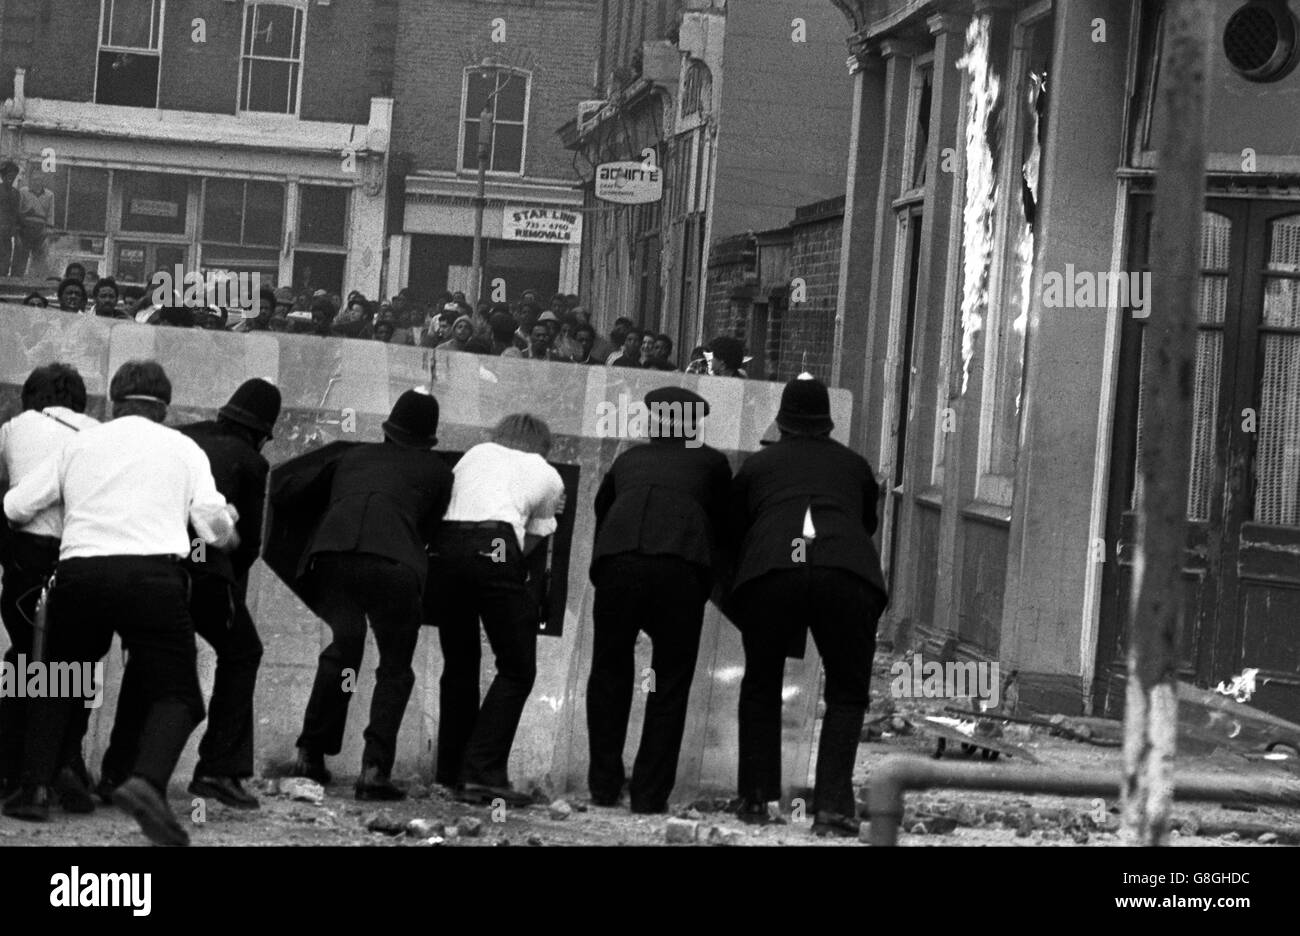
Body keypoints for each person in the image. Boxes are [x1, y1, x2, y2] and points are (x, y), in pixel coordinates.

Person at [2, 360, 239, 845]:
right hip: (153, 578)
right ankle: (146, 782)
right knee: (178, 695)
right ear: (165, 407)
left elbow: (16, 506)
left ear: (112, 401)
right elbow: (212, 528)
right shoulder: (184, 447)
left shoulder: (80, 444)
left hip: (79, 572)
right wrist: (229, 526)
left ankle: (34, 791)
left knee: (56, 678)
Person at [98, 380, 282, 810]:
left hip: (153, 566)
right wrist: (227, 589)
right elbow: (247, 544)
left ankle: (116, 774)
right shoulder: (251, 461)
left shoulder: (182, 437)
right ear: (260, 431)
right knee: (243, 652)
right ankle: (219, 769)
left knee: (147, 661)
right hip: (206, 571)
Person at [728, 375, 888, 837]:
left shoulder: (759, 466)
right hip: (847, 575)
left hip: (772, 575)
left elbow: (734, 525)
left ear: (782, 421)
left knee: (761, 683)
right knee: (846, 693)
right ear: (827, 422)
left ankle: (756, 797)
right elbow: (866, 523)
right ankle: (833, 807)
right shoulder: (855, 466)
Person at [277, 390, 453, 799]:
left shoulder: (351, 457)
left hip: (334, 561)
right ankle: (374, 769)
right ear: (429, 438)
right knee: (394, 668)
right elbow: (429, 529)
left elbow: (291, 494)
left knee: (344, 653)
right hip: (395, 567)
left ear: (387, 429)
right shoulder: (438, 471)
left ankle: (310, 754)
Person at [586, 388, 731, 813]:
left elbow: (603, 508)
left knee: (610, 672)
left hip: (619, 564)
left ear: (654, 421)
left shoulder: (628, 460)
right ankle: (649, 795)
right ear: (692, 425)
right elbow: (726, 523)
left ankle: (604, 785)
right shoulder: (711, 463)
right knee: (669, 681)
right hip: (679, 570)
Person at [429, 414, 564, 804]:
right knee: (518, 667)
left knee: (460, 663)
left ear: (499, 434)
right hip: (497, 544)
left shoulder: (474, 454)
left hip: (446, 548)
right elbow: (529, 545)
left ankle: (451, 771)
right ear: (542, 444)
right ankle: (483, 771)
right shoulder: (548, 474)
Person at [0, 366, 100, 806]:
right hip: (82, 556)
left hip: (28, 557)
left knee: (24, 659)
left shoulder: (13, 429)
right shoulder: (99, 432)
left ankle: (12, 765)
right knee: (75, 664)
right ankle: (66, 762)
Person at [14, 169, 54, 280]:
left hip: (40, 229)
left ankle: (35, 280)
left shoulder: (49, 195)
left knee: (38, 258)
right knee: (21, 256)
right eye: (35, 179)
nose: (37, 182)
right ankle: (17, 279)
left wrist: (47, 231)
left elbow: (50, 214)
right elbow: (18, 211)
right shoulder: (23, 191)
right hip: (25, 227)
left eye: (39, 179)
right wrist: (18, 230)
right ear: (31, 180)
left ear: (43, 180)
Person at [0, 162, 19, 277]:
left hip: (7, 232)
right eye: (8, 176)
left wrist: (13, 228)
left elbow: (15, 213)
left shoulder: (16, 193)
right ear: (3, 176)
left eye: (13, 176)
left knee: (6, 258)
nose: (10, 178)